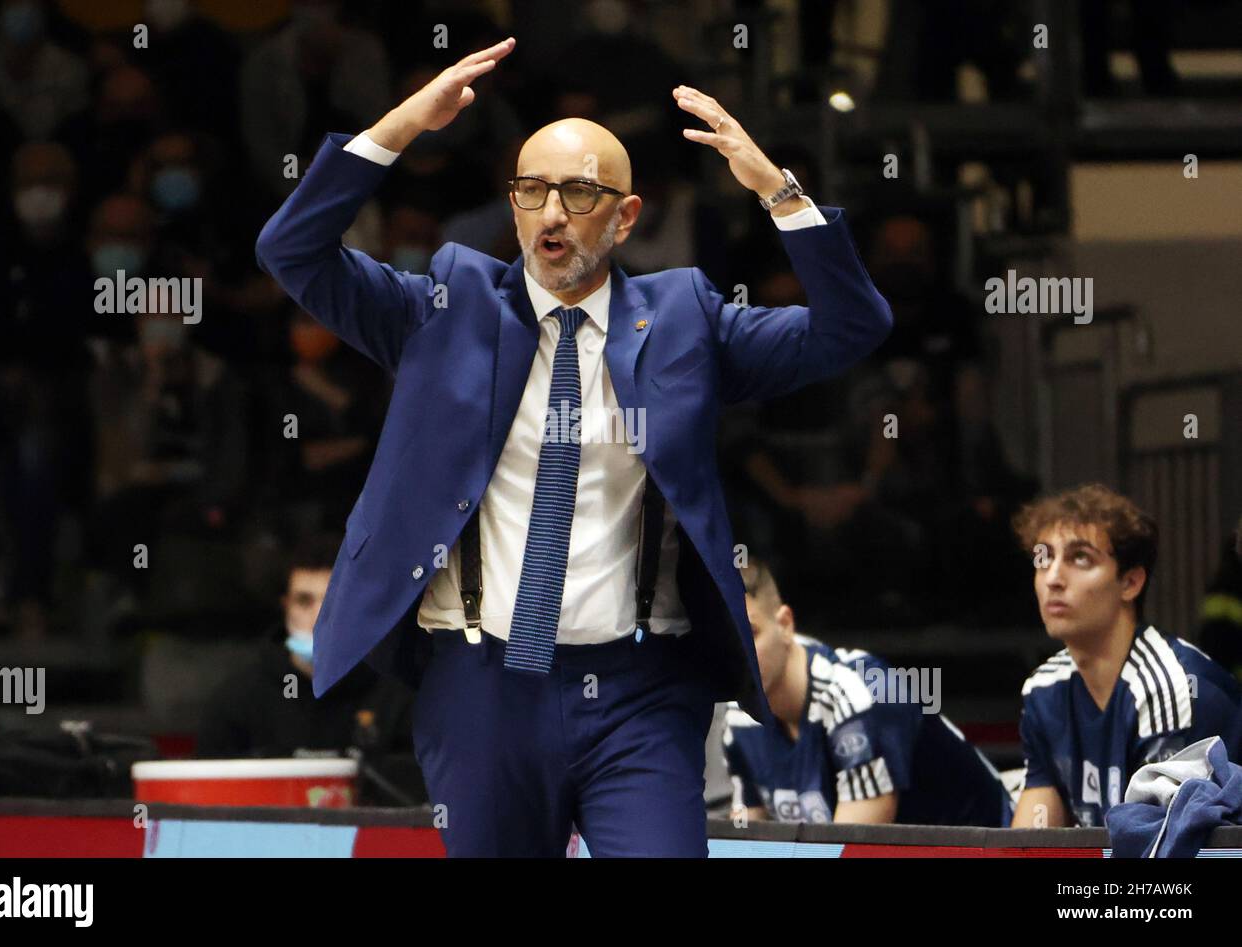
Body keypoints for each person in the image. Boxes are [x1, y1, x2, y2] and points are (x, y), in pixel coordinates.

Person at [255, 38, 892, 856]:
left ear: (626, 216)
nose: (551, 213)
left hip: (642, 691)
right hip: (479, 687)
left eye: (579, 192)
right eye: (532, 190)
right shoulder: (445, 306)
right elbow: (291, 249)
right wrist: (405, 124)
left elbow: (853, 326)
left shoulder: (685, 319)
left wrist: (778, 190)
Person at [1010, 484, 1242, 828]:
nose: (1053, 578)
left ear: (1130, 582)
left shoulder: (1170, 686)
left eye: (1080, 558)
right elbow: (1030, 843)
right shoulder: (1044, 690)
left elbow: (1162, 849)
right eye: (1044, 558)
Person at [723, 558, 1010, 826]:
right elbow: (744, 841)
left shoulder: (859, 695)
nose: (739, 653)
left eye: (751, 632)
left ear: (785, 625)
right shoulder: (737, 718)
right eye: (726, 640)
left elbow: (853, 849)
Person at [197, 534, 421, 804]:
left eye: (331, 602)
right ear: (286, 606)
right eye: (304, 601)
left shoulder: (398, 698)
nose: (318, 617)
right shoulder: (236, 701)